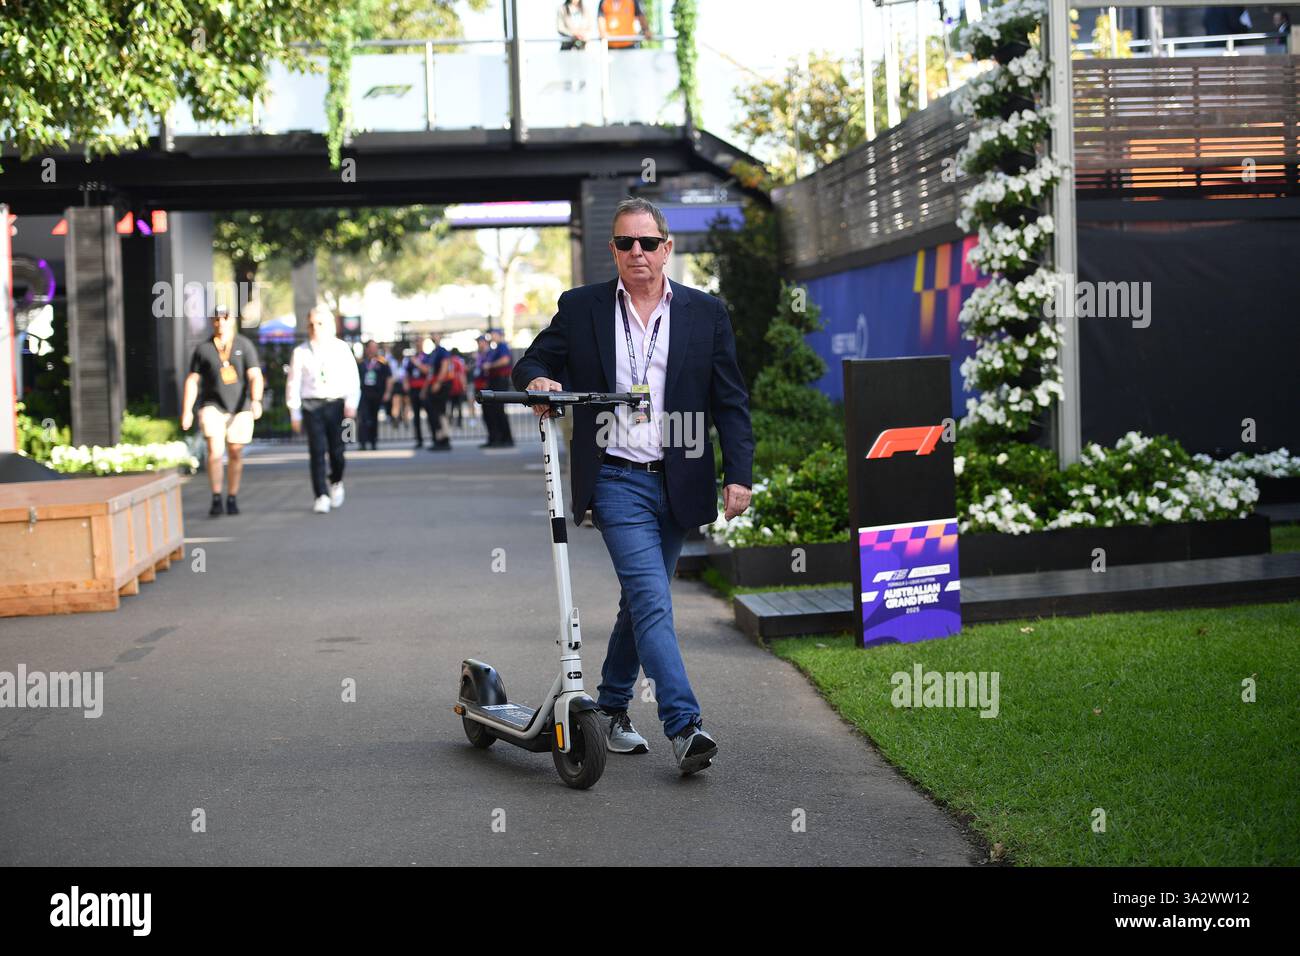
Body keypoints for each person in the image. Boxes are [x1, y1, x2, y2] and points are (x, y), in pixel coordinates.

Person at [512, 197, 753, 776]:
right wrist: (541, 377)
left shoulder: (705, 312)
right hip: (617, 476)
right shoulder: (583, 307)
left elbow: (730, 399)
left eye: (647, 242)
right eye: (625, 243)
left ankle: (613, 710)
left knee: (637, 602)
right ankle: (685, 725)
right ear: (614, 250)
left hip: (680, 477)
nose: (636, 253)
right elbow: (531, 362)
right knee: (651, 597)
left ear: (667, 248)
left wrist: (738, 473)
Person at [181, 305, 264, 517]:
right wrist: (187, 410)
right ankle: (217, 496)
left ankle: (232, 496)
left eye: (225, 318)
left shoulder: (244, 345)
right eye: (217, 319)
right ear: (212, 321)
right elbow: (193, 380)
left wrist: (256, 400)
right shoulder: (203, 349)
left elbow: (255, 375)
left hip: (239, 407)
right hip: (212, 405)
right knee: (215, 452)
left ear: (231, 320)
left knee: (235, 452)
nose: (221, 323)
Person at [286, 308, 361, 514]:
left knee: (337, 451)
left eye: (319, 324)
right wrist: (295, 412)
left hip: (336, 404)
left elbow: (352, 378)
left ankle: (336, 480)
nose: (315, 328)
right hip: (312, 406)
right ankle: (321, 495)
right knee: (317, 451)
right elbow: (293, 383)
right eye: (311, 324)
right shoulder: (300, 352)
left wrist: (351, 403)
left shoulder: (341, 349)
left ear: (329, 326)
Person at [481, 328, 515, 448]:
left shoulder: (502, 346)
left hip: (500, 380)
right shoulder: (495, 348)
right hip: (494, 380)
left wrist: (490, 365)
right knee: (493, 410)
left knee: (499, 409)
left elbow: (505, 360)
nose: (492, 336)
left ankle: (506, 438)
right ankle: (498, 438)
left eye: (493, 334)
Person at [357, 340, 393, 451]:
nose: (373, 349)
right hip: (363, 393)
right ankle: (362, 442)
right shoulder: (361, 363)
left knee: (373, 418)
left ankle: (373, 441)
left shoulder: (382, 362)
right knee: (363, 418)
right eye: (371, 347)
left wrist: (387, 392)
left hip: (376, 394)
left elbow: (389, 378)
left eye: (375, 347)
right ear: (367, 348)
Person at [425, 332, 453, 452]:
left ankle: (444, 438)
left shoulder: (442, 351)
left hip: (441, 386)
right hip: (435, 385)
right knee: (435, 414)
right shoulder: (434, 352)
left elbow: (445, 366)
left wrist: (438, 382)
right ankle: (439, 438)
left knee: (440, 413)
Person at [406, 340, 432, 448]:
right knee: (416, 416)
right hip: (414, 390)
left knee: (430, 414)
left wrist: (417, 363)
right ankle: (419, 440)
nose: (418, 345)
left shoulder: (427, 357)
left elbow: (428, 371)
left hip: (424, 389)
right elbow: (407, 373)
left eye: (420, 343)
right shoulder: (411, 359)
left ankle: (434, 437)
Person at [446, 347, 468, 428]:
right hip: (458, 386)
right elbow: (462, 375)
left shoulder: (449, 361)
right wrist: (464, 386)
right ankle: (459, 422)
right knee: (459, 406)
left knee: (451, 405)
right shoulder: (459, 361)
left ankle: (450, 421)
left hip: (450, 386)